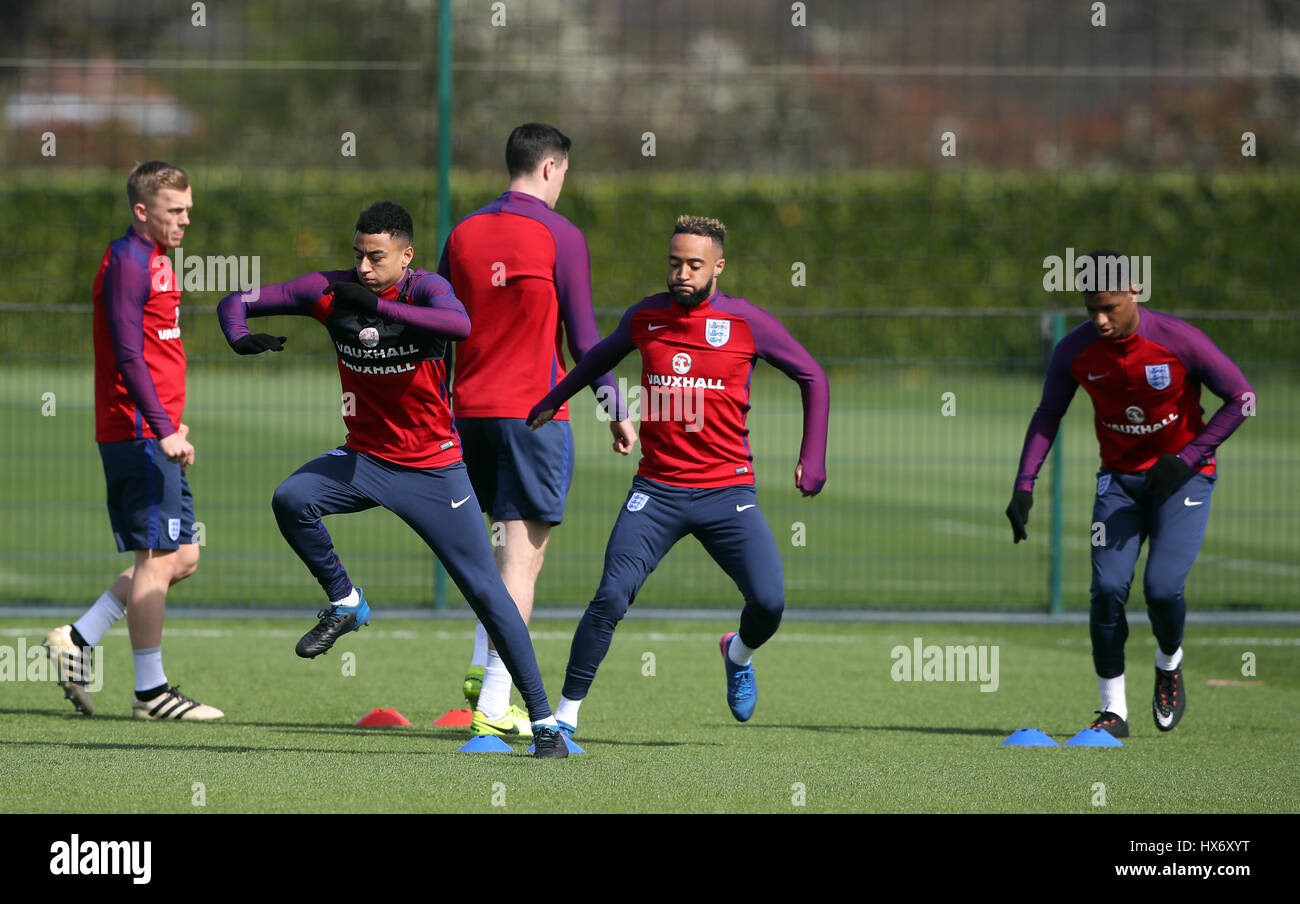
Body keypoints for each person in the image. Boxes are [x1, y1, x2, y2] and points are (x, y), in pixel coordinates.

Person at [216, 200, 568, 757]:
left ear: (406, 256)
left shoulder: (426, 292)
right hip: (365, 460)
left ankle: (546, 724)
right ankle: (347, 601)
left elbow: (459, 324)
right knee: (291, 498)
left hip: (434, 469)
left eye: (375, 257)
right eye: (357, 255)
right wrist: (238, 335)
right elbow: (235, 299)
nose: (362, 268)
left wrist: (383, 310)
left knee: (487, 594)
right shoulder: (327, 291)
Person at [526, 216, 829, 737]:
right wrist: (552, 400)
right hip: (657, 491)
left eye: (694, 264)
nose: (682, 273)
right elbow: (596, 356)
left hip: (727, 491)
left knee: (770, 602)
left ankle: (738, 653)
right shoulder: (646, 316)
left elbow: (812, 376)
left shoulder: (747, 323)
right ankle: (564, 719)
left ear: (718, 267)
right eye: (674, 262)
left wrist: (814, 456)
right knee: (611, 597)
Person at [438, 122, 635, 736]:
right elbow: (585, 341)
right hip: (534, 416)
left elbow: (438, 327)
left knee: (489, 554)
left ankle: (480, 667)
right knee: (521, 563)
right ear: (551, 167)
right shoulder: (561, 235)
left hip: (466, 414)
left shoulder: (464, 232)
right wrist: (616, 408)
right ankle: (495, 709)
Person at [1006, 249, 1254, 737]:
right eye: (1090, 308)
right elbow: (1048, 414)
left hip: (1184, 478)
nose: (1099, 319)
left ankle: (1169, 661)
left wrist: (1185, 459)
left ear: (1134, 291)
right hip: (1118, 481)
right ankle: (1113, 711)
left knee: (1161, 589)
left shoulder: (1179, 341)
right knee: (1105, 591)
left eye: (1109, 307)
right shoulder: (1074, 351)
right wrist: (1023, 485)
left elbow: (1242, 398)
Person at [43, 160, 223, 720]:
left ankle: (78, 638)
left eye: (189, 210)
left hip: (155, 428)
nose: (185, 220)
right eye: (175, 211)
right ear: (142, 211)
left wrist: (170, 420)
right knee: (158, 554)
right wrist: (162, 427)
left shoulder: (156, 259)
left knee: (182, 556)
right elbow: (127, 354)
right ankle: (151, 693)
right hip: (139, 432)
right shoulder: (126, 262)